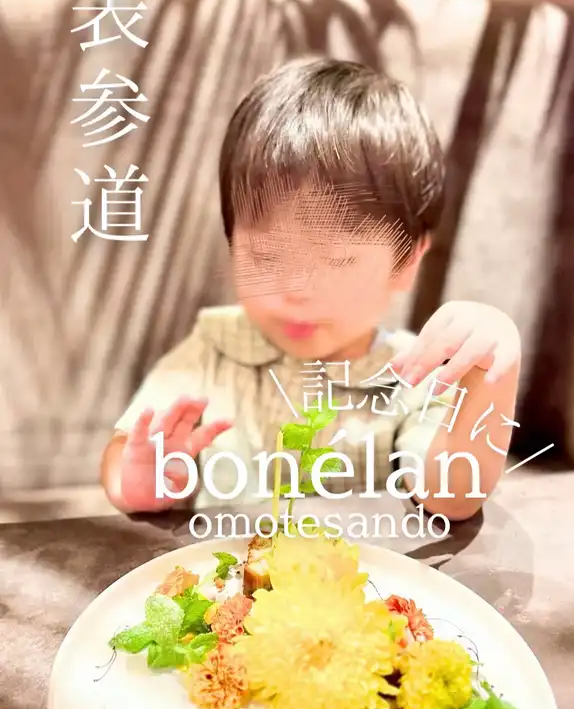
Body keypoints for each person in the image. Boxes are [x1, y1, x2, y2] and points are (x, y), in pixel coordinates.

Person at [101, 58, 521, 522]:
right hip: (230, 566)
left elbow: (451, 498)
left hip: (356, 568)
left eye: (336, 262)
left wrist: (491, 377)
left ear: (405, 263)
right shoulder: (213, 350)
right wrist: (138, 477)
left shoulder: (412, 375)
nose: (296, 290)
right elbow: (125, 447)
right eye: (267, 258)